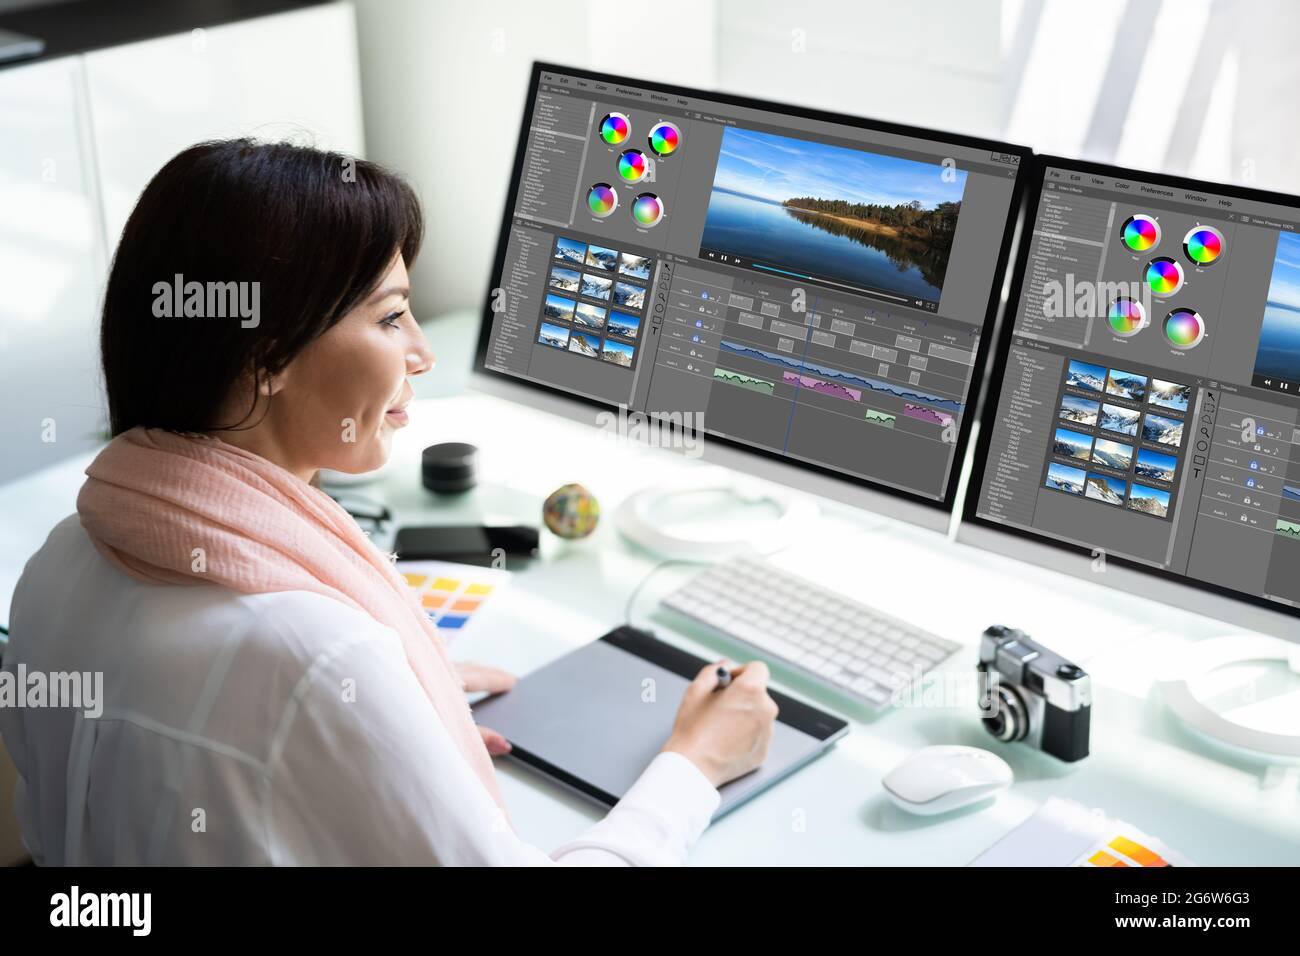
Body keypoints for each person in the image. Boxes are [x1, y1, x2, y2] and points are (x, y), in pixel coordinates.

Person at [0, 140, 778, 865]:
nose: (422, 352)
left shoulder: (60, 558)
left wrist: (404, 707)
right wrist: (694, 768)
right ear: (265, 356)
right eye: (389, 316)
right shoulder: (315, 656)